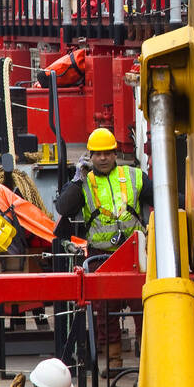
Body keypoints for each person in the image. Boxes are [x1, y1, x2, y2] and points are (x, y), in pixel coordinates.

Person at [55, 127, 152, 367]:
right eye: (97, 154)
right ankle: (112, 362)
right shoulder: (83, 182)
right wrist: (77, 181)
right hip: (100, 256)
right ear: (90, 155)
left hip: (134, 252)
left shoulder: (135, 176)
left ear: (115, 153)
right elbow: (64, 208)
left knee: (143, 307)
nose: (103, 158)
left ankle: (149, 361)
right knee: (105, 313)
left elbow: (159, 197)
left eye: (107, 153)